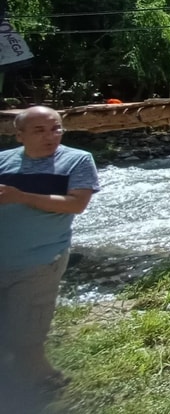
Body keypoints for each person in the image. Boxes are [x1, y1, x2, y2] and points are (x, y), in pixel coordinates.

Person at [0, 107, 100, 407]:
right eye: (40, 130)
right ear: (20, 135)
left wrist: (21, 196)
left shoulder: (77, 160)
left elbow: (75, 205)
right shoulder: (3, 161)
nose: (50, 136)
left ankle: (40, 386)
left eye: (56, 128)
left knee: (28, 330)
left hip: (40, 258)